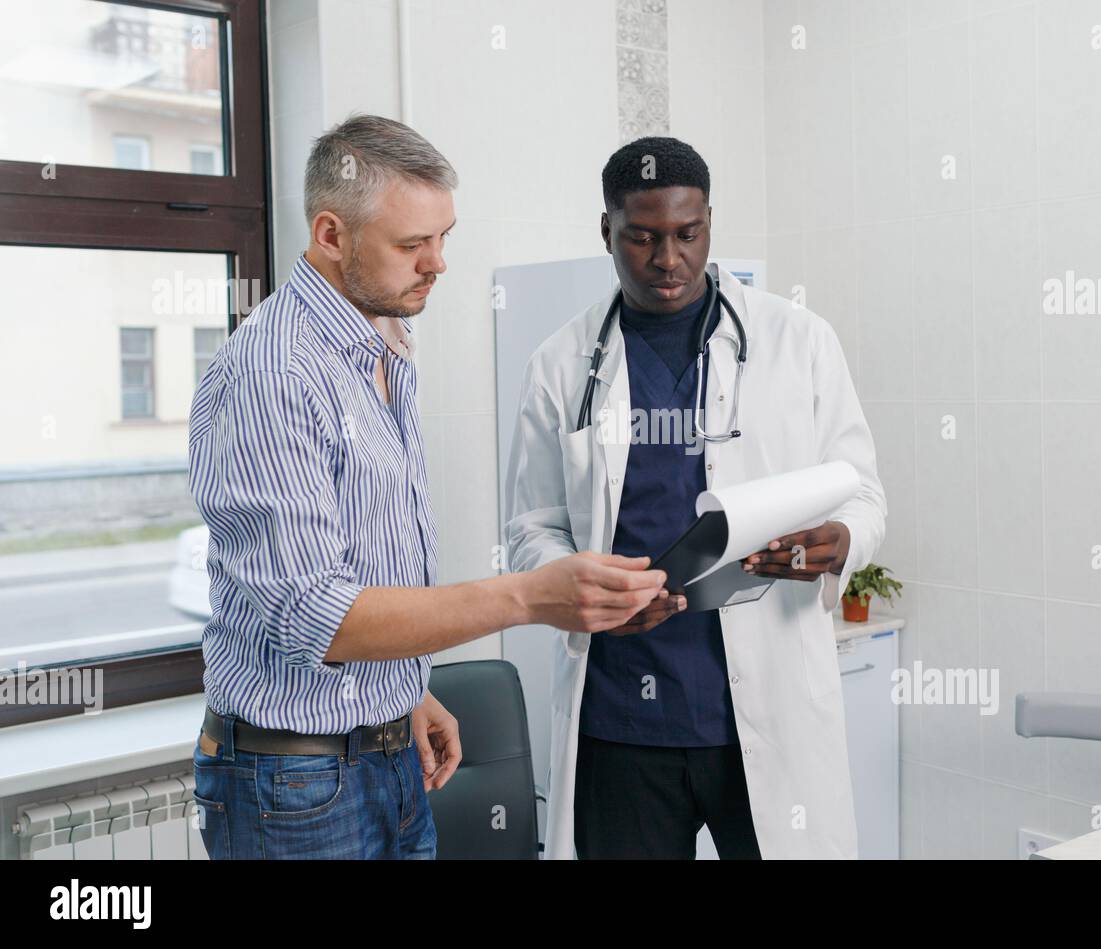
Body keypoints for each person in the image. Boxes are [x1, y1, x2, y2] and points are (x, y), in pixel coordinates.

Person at [187, 115, 667, 860]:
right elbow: (323, 617)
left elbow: (367, 566)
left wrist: (404, 693)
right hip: (297, 785)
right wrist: (528, 595)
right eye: (413, 245)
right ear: (330, 234)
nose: (438, 263)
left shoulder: (384, 345)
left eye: (444, 236)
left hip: (385, 754)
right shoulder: (273, 374)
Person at [504, 137, 887, 859]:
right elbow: (531, 528)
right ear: (607, 231)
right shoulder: (559, 364)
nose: (667, 258)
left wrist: (842, 539)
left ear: (710, 221)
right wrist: (591, 590)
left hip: (762, 714)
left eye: (688, 234)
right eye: (642, 237)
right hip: (622, 721)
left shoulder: (797, 339)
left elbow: (863, 492)